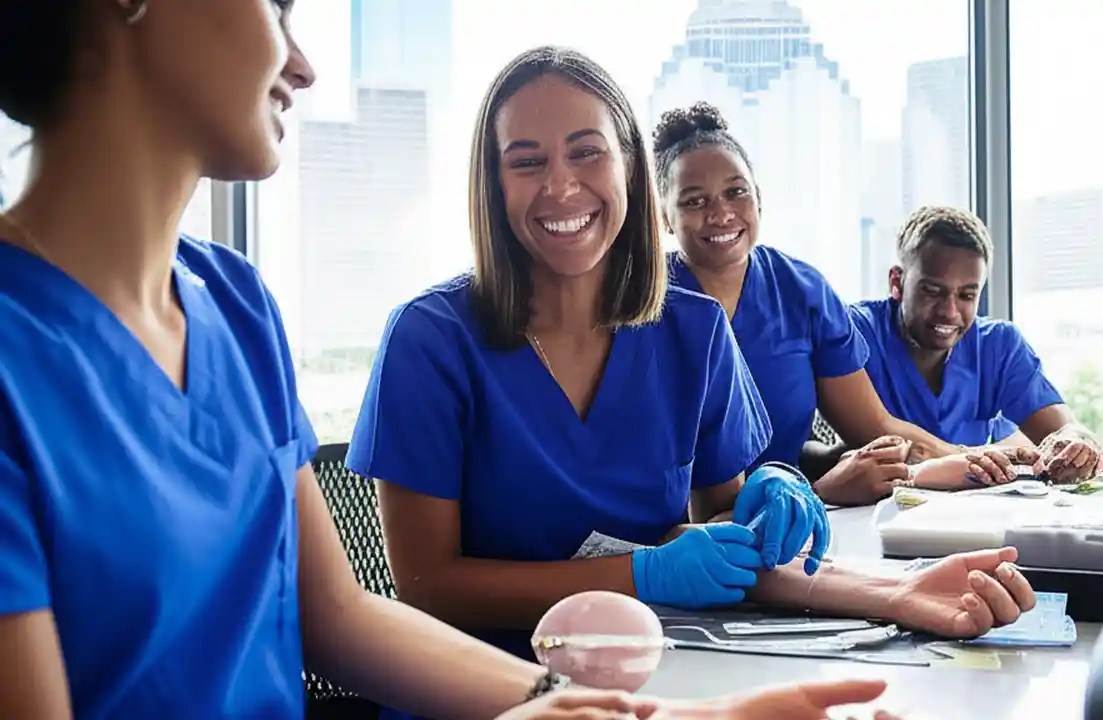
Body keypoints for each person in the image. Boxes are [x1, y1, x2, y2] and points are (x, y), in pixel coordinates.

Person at [0, 3, 902, 719]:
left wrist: (610, 711)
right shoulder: (17, 356)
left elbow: (337, 617)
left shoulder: (235, 306)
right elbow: (421, 589)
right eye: (277, 6)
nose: (303, 64)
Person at [349, 46, 1036, 720]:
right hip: (486, 690)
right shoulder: (430, 339)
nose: (560, 186)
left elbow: (726, 530)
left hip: (671, 673)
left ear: (629, 170)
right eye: (526, 161)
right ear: (493, 186)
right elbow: (425, 587)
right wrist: (641, 574)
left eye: (587, 152)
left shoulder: (694, 329)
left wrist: (895, 590)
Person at [653, 102, 962, 505]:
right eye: (694, 201)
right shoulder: (642, 307)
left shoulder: (800, 291)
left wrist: (979, 460)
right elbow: (702, 514)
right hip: (688, 540)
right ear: (662, 217)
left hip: (793, 522)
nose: (721, 213)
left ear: (758, 197)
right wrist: (820, 493)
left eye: (736, 192)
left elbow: (876, 426)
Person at [849, 205, 1103, 484]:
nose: (949, 311)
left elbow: (1063, 428)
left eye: (967, 295)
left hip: (974, 514)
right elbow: (877, 438)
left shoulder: (998, 346)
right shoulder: (855, 333)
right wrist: (975, 457)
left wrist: (1074, 443)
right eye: (933, 291)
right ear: (897, 282)